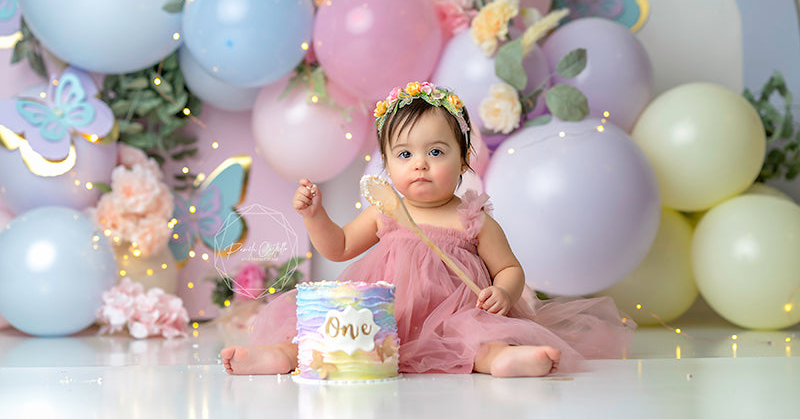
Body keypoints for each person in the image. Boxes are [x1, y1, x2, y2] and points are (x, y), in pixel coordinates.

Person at [221, 81, 633, 377]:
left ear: (463, 159)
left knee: (478, 341)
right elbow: (340, 247)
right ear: (387, 163)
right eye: (404, 154)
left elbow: (510, 268)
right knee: (331, 334)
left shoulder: (473, 217)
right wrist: (315, 217)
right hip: (386, 317)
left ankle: (502, 361)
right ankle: (281, 355)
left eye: (436, 151)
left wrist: (503, 292)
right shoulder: (387, 211)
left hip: (456, 316)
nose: (420, 163)